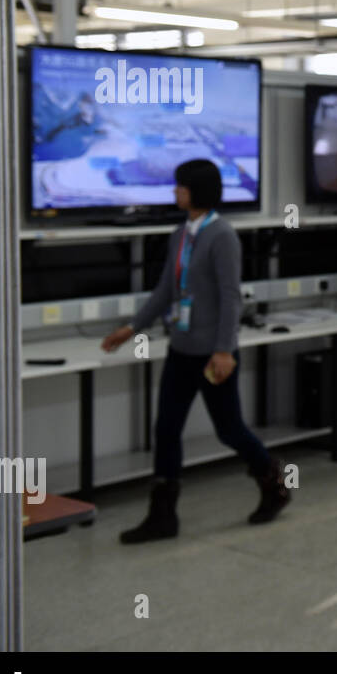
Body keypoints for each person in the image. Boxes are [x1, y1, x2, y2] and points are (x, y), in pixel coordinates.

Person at [101, 159, 289, 544]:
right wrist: (132, 327)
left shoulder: (222, 236)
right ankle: (162, 516)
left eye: (180, 186)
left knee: (229, 430)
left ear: (196, 191)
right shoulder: (180, 235)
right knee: (166, 428)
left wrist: (224, 350)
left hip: (211, 354)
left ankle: (273, 481)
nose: (174, 192)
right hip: (181, 348)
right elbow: (166, 291)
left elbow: (230, 297)